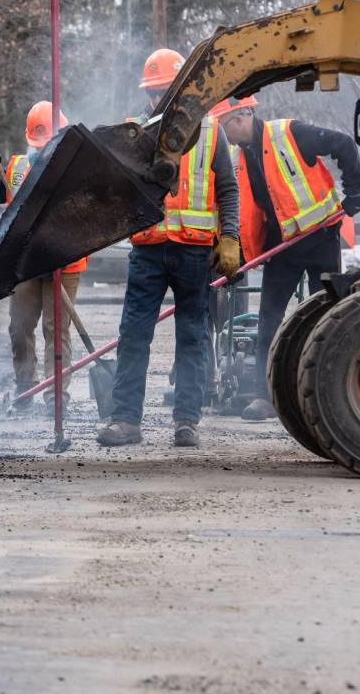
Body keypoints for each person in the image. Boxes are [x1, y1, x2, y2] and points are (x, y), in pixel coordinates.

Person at [97, 50, 241, 449]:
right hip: (147, 250)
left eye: (165, 90)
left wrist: (229, 237)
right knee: (133, 335)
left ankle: (186, 423)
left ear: (181, 91)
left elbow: (228, 188)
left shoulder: (212, 131)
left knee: (193, 337)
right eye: (154, 91)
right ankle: (126, 421)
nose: (158, 98)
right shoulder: (135, 133)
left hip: (194, 254)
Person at [217, 97, 360, 420]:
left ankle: (326, 392)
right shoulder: (238, 155)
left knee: (324, 314)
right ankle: (264, 394)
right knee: (269, 317)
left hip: (320, 238)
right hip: (281, 246)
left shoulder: (290, 133)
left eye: (223, 126)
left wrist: (353, 192)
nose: (222, 135)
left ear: (240, 118)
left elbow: (344, 145)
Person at [0, 101, 88, 417]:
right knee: (20, 327)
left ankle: (57, 395)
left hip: (63, 262)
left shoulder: (78, 170)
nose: (43, 152)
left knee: (56, 330)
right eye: (38, 146)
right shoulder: (15, 168)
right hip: (25, 263)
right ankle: (24, 387)